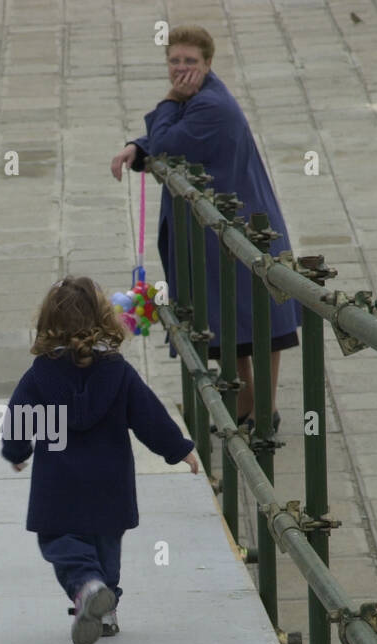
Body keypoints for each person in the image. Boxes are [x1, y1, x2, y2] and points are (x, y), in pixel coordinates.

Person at [110, 25, 299, 430]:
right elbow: (169, 136)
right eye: (174, 61)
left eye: (190, 62)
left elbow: (169, 143)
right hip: (222, 230)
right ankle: (249, 407)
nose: (181, 69)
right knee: (232, 322)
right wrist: (138, 146)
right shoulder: (197, 96)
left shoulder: (209, 104)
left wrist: (165, 105)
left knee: (257, 320)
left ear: (208, 63)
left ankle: (263, 412)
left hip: (243, 226)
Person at [1, 276, 198, 644]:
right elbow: (148, 416)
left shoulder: (40, 375)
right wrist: (178, 449)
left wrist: (16, 453)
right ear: (104, 319)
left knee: (60, 541)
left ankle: (86, 587)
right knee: (106, 545)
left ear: (47, 322)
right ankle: (105, 609)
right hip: (111, 484)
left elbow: (19, 419)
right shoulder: (118, 373)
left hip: (58, 485)